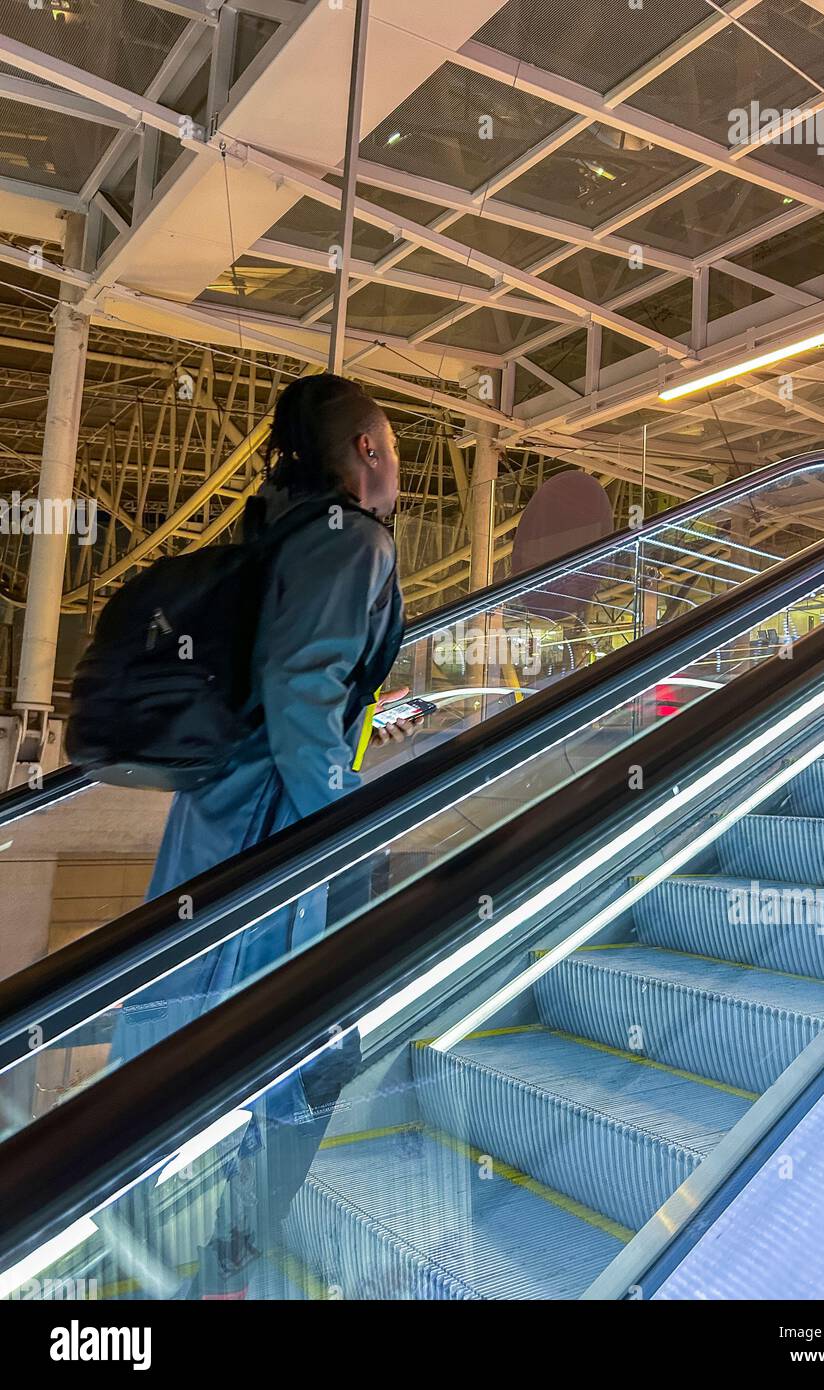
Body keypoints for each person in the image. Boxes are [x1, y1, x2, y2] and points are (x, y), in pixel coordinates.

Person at [112, 373, 417, 1297]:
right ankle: (227, 1263)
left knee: (170, 1030)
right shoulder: (352, 539)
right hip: (273, 836)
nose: (399, 462)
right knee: (313, 1057)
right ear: (364, 449)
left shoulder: (275, 528)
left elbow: (287, 677)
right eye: (393, 443)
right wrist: (347, 820)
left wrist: (354, 720)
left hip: (214, 816)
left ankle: (114, 1214)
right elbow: (297, 694)